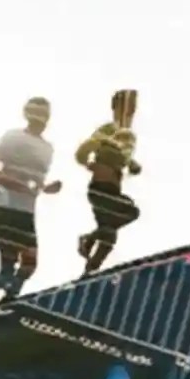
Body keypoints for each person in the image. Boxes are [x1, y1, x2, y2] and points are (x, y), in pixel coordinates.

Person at [0, 97, 60, 310]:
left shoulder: (47, 148)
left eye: (44, 116)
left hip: (27, 212)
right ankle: (0, 295)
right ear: (27, 115)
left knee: (20, 267)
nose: (40, 120)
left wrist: (47, 188)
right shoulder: (14, 137)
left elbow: (36, 180)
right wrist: (1, 177)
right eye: (36, 115)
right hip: (6, 207)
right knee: (24, 263)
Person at [75, 90, 143, 275]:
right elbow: (86, 147)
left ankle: (88, 273)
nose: (128, 111)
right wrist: (87, 163)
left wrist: (133, 166)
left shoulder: (129, 135)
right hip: (101, 188)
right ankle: (89, 238)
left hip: (112, 187)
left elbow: (124, 156)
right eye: (124, 107)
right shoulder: (109, 129)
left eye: (131, 107)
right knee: (131, 212)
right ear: (115, 108)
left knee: (109, 237)